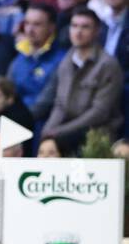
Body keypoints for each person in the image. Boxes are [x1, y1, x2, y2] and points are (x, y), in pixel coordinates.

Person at [38, 8, 124, 148]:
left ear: (97, 31)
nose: (78, 32)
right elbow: (60, 104)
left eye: (85, 27)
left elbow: (99, 113)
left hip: (98, 134)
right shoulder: (66, 61)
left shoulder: (108, 65)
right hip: (68, 132)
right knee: (45, 144)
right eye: (74, 26)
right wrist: (48, 131)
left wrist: (59, 132)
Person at [8, 4, 62, 108]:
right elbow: (6, 92)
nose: (29, 30)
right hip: (14, 119)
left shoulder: (61, 60)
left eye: (37, 24)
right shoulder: (19, 58)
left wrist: (18, 118)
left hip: (42, 122)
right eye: (27, 23)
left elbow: (45, 103)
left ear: (51, 27)